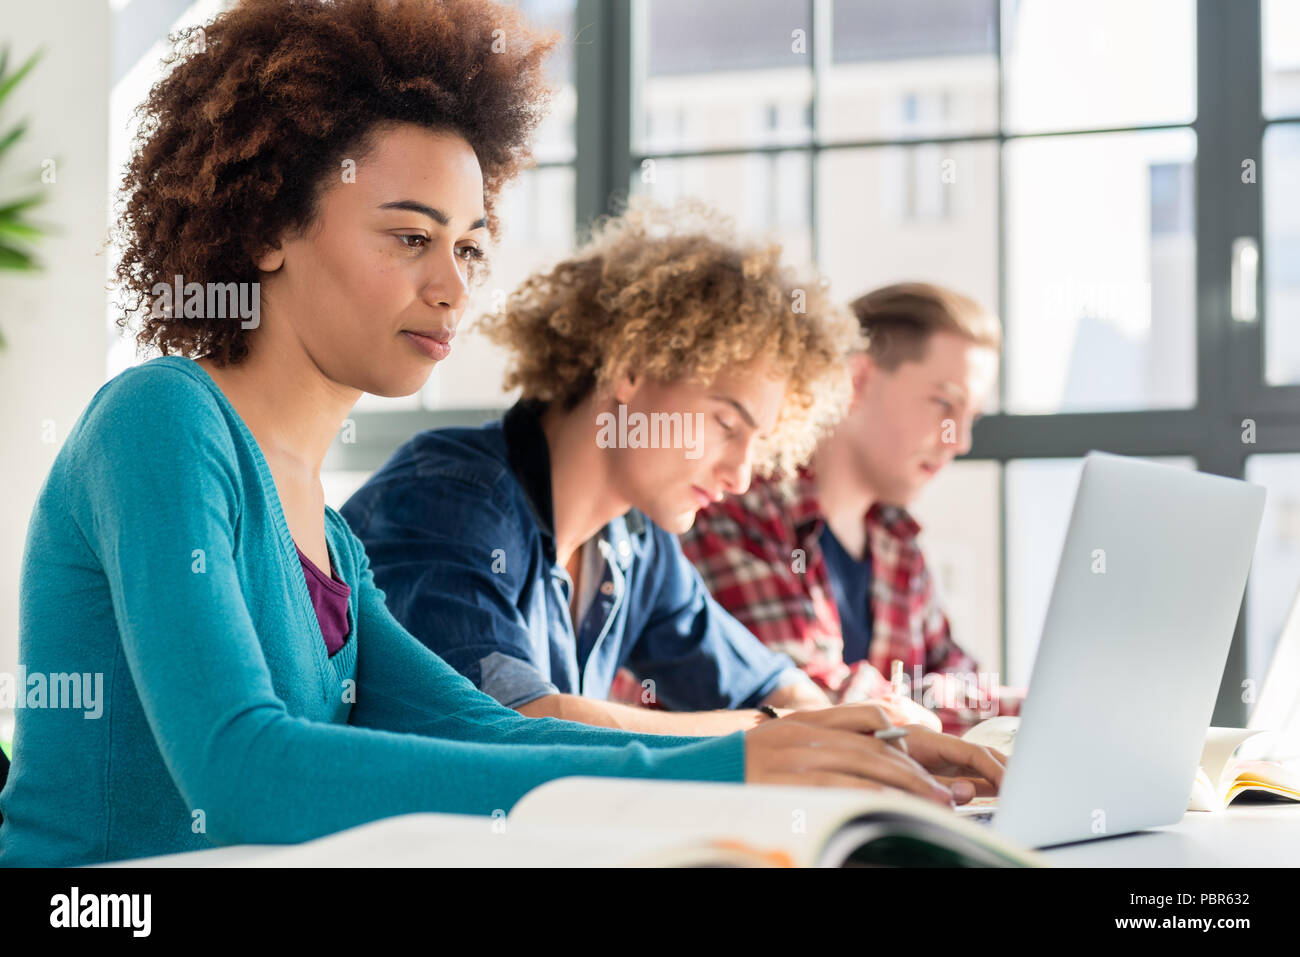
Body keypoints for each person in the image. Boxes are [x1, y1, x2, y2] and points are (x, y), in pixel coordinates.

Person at [0, 1, 1000, 868]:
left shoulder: (329, 528)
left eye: (469, 246)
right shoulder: (163, 421)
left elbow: (478, 730)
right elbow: (241, 768)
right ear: (266, 224)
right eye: (408, 238)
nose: (452, 287)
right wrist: (738, 763)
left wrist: (776, 754)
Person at [341, 200, 999, 786]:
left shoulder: (636, 543)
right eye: (724, 424)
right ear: (630, 368)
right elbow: (520, 727)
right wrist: (770, 735)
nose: (742, 475)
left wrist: (883, 735)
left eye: (759, 443)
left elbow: (773, 686)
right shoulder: (449, 498)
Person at [679, 283, 1023, 734]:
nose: (960, 440)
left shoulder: (895, 536)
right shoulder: (737, 506)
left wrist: (1023, 708)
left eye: (970, 417)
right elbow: (812, 701)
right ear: (857, 382)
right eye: (944, 404)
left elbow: (953, 675)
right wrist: (1010, 710)